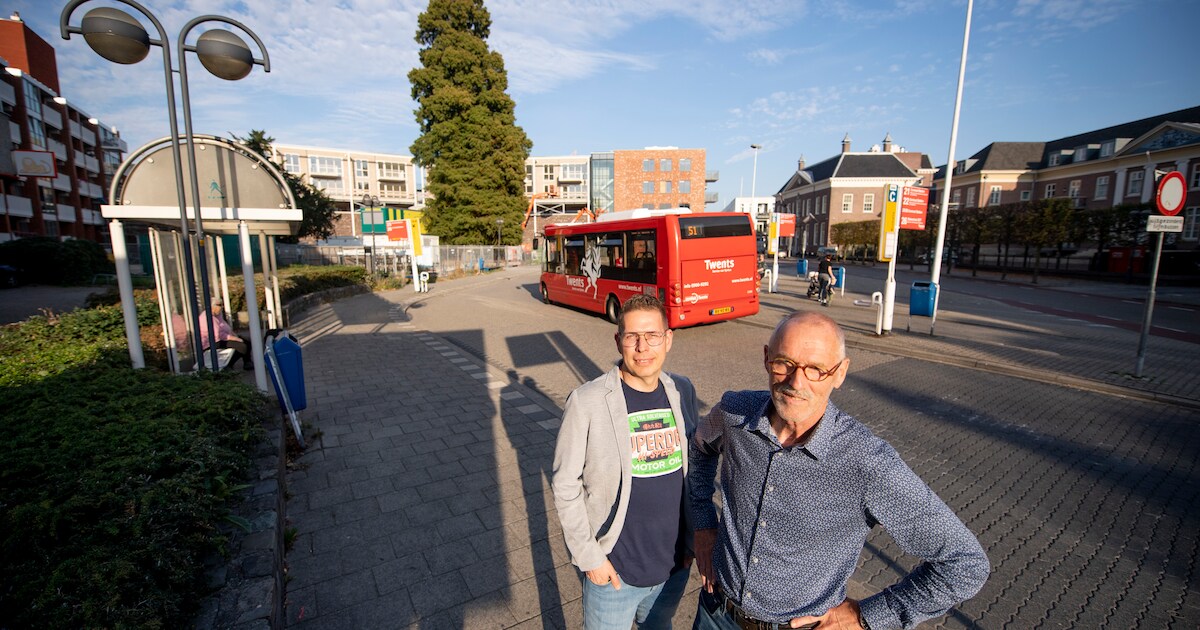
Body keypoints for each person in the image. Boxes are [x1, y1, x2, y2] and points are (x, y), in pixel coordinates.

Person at [689, 312, 989, 630]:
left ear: (840, 372)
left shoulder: (868, 462)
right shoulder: (735, 414)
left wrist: (866, 617)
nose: (795, 382)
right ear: (766, 358)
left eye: (816, 369)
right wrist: (703, 524)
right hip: (715, 614)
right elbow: (700, 449)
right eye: (784, 363)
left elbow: (965, 563)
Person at [552, 294, 699, 629]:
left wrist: (692, 541)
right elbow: (564, 484)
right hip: (614, 573)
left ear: (668, 339)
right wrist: (590, 557)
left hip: (673, 568)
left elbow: (694, 471)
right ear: (618, 341)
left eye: (652, 336)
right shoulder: (586, 401)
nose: (642, 347)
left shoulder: (682, 390)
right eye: (632, 336)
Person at [198, 300, 254, 370]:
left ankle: (247, 362)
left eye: (222, 305)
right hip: (212, 343)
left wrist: (234, 335)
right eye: (219, 305)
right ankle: (228, 364)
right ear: (212, 306)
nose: (222, 307)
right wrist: (234, 338)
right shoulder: (207, 317)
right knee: (242, 346)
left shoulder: (218, 315)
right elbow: (217, 335)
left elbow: (226, 328)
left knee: (246, 340)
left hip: (221, 338)